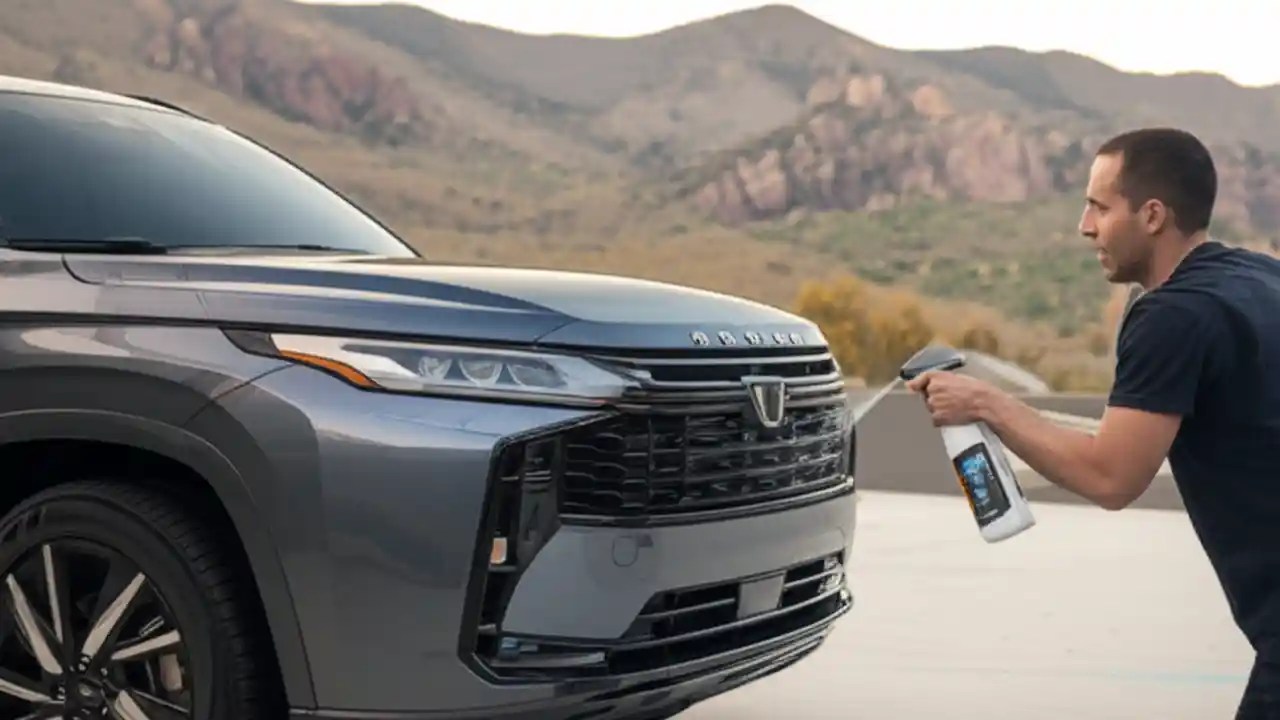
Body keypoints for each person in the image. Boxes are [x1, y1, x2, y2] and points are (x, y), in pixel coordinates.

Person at [905, 127, 1280, 718]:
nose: (1085, 226)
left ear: (1152, 215)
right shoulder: (1259, 279)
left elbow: (1112, 476)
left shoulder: (1171, 316)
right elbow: (1127, 433)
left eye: (1100, 207)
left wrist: (985, 405)